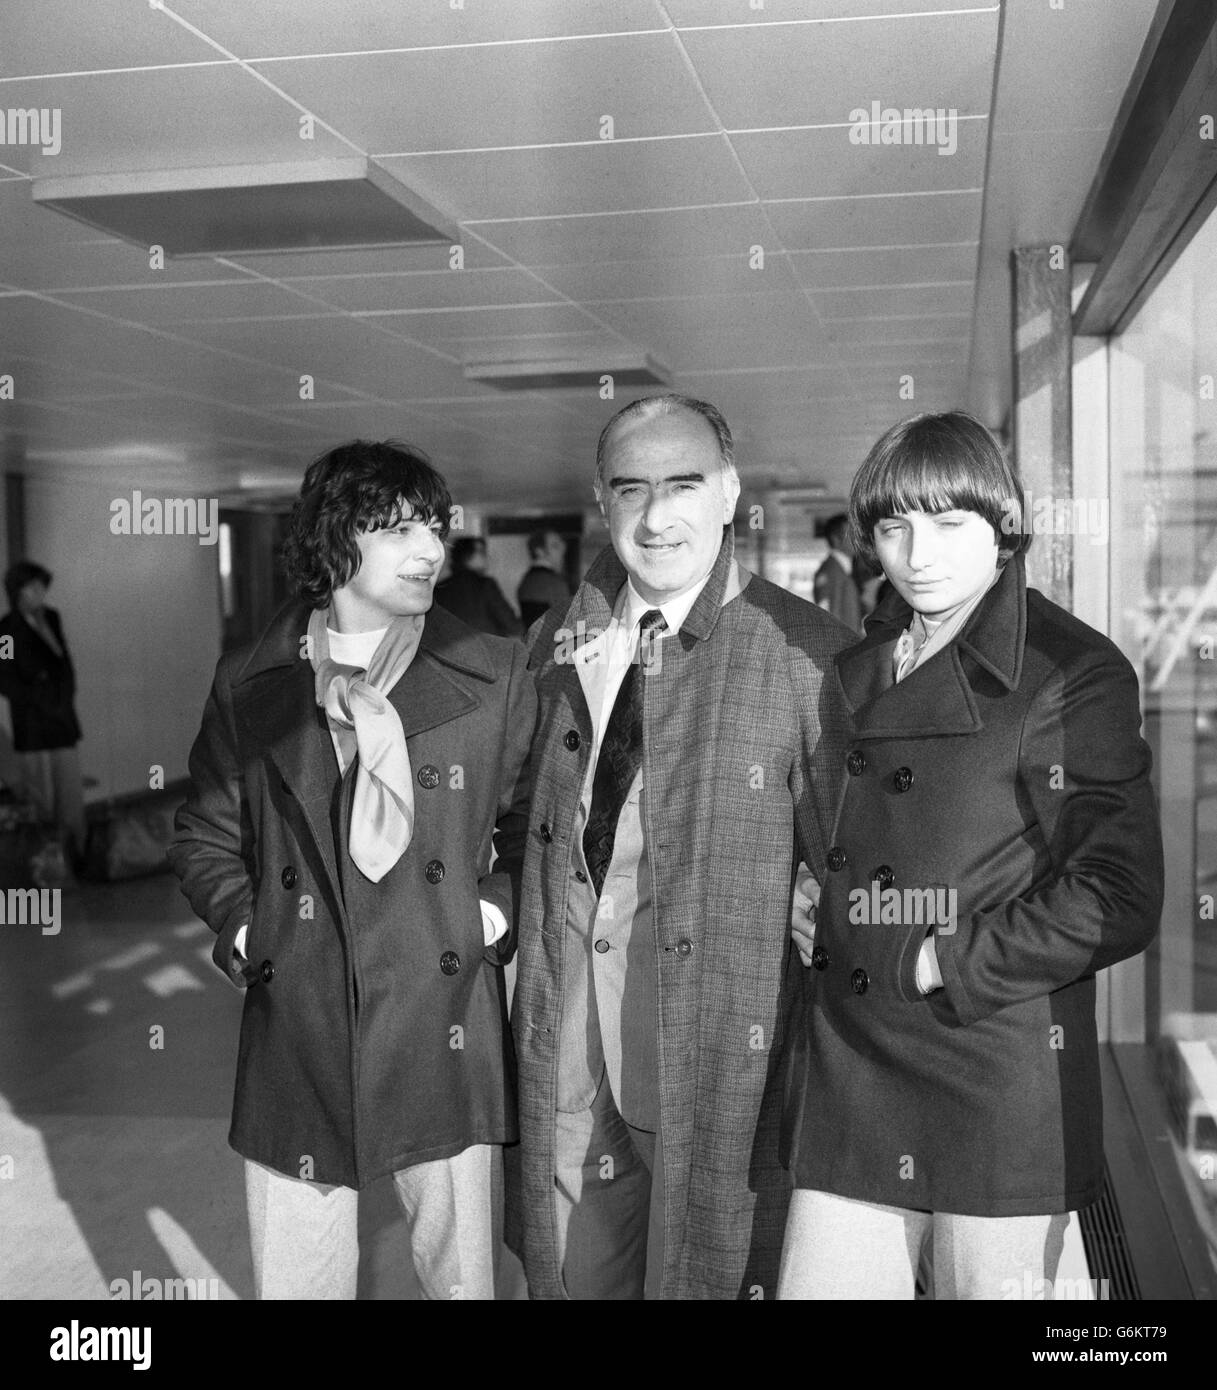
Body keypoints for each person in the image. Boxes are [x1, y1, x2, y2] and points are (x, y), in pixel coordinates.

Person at [779, 411, 1164, 1300]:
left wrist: (931, 960)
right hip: (851, 1075)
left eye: (949, 523)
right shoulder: (863, 664)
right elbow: (876, 848)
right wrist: (819, 902)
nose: (918, 554)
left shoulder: (1069, 670)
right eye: (892, 527)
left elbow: (1117, 893)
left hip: (989, 1081)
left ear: (1003, 525)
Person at [168, 440, 534, 1300]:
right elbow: (204, 834)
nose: (431, 551)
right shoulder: (249, 682)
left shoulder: (494, 674)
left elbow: (529, 826)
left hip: (441, 1018)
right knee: (296, 1281)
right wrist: (252, 933)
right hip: (299, 1022)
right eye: (400, 528)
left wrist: (485, 919)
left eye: (436, 528)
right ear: (337, 539)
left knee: (460, 1282)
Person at [508, 393, 853, 1300]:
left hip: (711, 1054)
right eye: (630, 490)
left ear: (731, 491)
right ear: (601, 500)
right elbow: (510, 815)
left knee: (700, 1272)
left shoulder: (807, 654)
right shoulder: (554, 643)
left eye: (682, 484)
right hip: (569, 1050)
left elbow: (854, 855)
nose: (655, 516)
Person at [0, 561, 87, 858]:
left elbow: (65, 664)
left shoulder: (51, 618)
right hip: (33, 722)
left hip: (61, 718)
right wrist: (40, 695)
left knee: (70, 794)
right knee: (40, 797)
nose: (40, 592)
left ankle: (77, 855)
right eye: (33, 586)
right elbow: (5, 679)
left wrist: (62, 696)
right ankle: (47, 863)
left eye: (42, 586)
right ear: (18, 591)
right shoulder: (6, 631)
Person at [435, 536, 521, 637]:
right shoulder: (485, 585)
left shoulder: (439, 588)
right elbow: (513, 626)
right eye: (482, 552)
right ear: (467, 556)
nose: (487, 557)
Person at [813, 513, 863, 632]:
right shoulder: (829, 572)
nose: (857, 539)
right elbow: (826, 614)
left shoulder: (843, 570)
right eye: (851, 535)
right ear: (836, 539)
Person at [517, 529, 572, 630]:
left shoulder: (526, 581)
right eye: (555, 546)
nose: (562, 550)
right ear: (539, 551)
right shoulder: (554, 583)